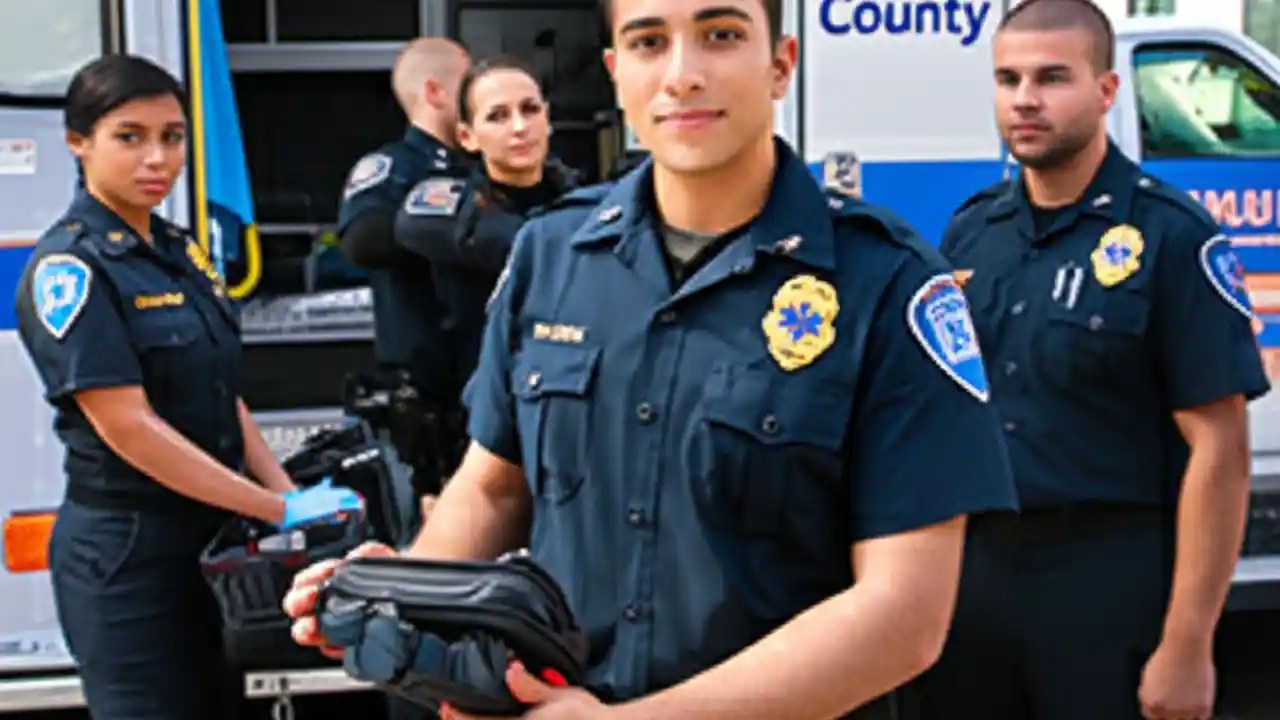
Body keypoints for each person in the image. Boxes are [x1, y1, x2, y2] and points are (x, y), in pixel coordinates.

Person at [286, 1, 1020, 719]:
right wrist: (396, 587)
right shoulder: (550, 257)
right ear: (614, 72)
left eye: (721, 34)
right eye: (646, 41)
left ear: (780, 65)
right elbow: (493, 489)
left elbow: (904, 618)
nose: (682, 73)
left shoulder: (887, 282)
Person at [910, 2, 1271, 719]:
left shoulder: (1171, 236)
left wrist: (1188, 644)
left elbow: (1220, 451)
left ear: (1106, 91)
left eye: (1052, 78)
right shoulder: (972, 229)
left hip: (1107, 579)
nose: (1025, 100)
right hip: (975, 579)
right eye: (1007, 79)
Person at [11, 55, 361, 720]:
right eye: (129, 136)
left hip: (209, 543)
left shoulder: (179, 250)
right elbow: (130, 428)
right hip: (129, 556)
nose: (157, 158)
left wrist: (288, 498)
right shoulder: (72, 269)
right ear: (77, 142)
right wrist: (270, 507)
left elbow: (218, 391)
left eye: (172, 137)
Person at [395, 55, 578, 419]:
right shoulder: (454, 209)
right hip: (476, 413)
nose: (519, 127)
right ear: (467, 136)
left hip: (567, 406)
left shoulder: (586, 201)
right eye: (497, 116)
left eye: (530, 109)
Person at [337, 37, 472, 507]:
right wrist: (458, 230)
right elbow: (362, 238)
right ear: (436, 93)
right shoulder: (395, 167)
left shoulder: (487, 165)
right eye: (468, 86)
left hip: (490, 382)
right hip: (428, 392)